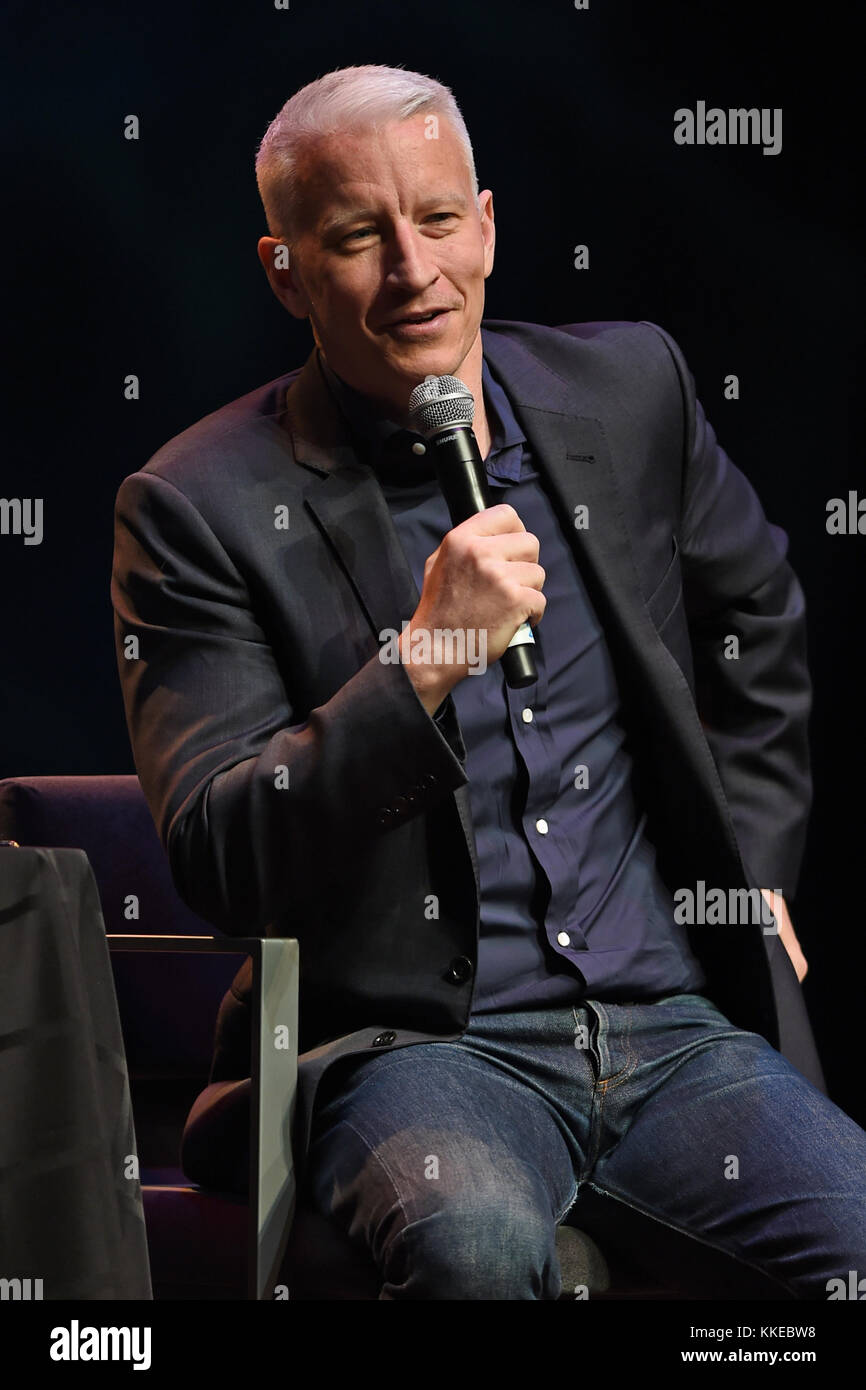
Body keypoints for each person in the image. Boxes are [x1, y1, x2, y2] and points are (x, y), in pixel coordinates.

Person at [111, 63, 866, 1300]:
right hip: (417, 1046)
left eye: (439, 220)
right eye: (356, 237)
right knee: (475, 1252)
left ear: (490, 225)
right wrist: (422, 660)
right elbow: (220, 842)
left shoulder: (623, 394)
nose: (413, 271)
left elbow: (756, 617)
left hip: (667, 1026)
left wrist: (756, 867)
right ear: (283, 269)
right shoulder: (196, 507)